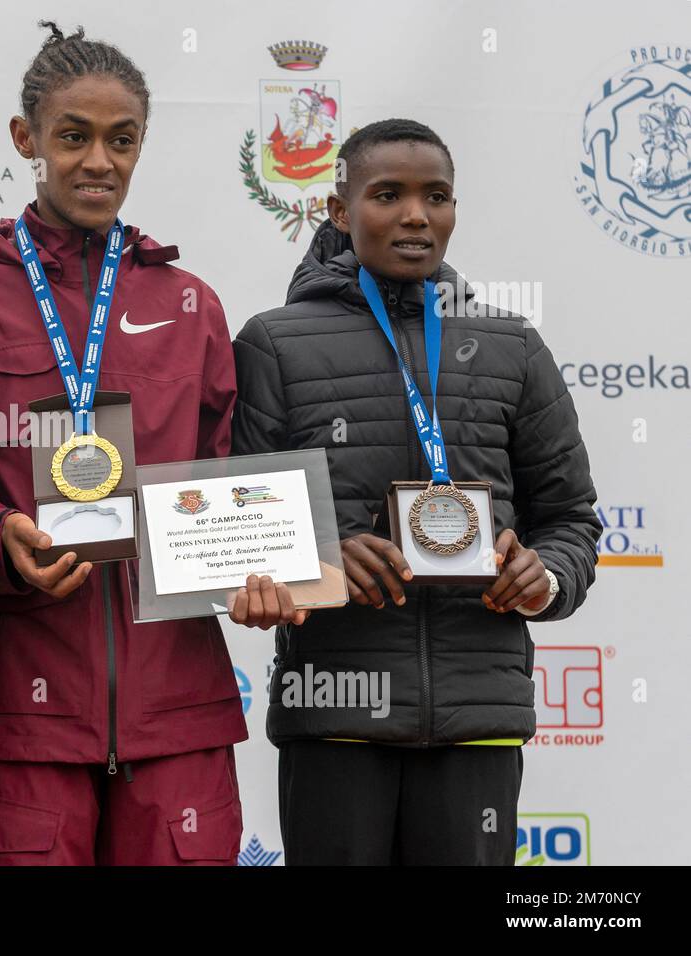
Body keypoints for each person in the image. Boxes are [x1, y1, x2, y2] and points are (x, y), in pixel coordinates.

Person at [0, 22, 302, 867]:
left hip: (178, 709)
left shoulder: (190, 304)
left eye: (121, 139)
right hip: (17, 708)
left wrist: (263, 571)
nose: (98, 161)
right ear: (25, 140)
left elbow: (226, 476)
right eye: (73, 136)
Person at [232, 118, 602, 865]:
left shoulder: (512, 344)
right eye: (387, 194)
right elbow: (243, 529)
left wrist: (547, 576)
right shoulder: (274, 343)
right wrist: (325, 558)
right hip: (334, 714)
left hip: (479, 719)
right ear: (339, 211)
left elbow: (568, 518)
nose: (415, 215)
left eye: (437, 196)